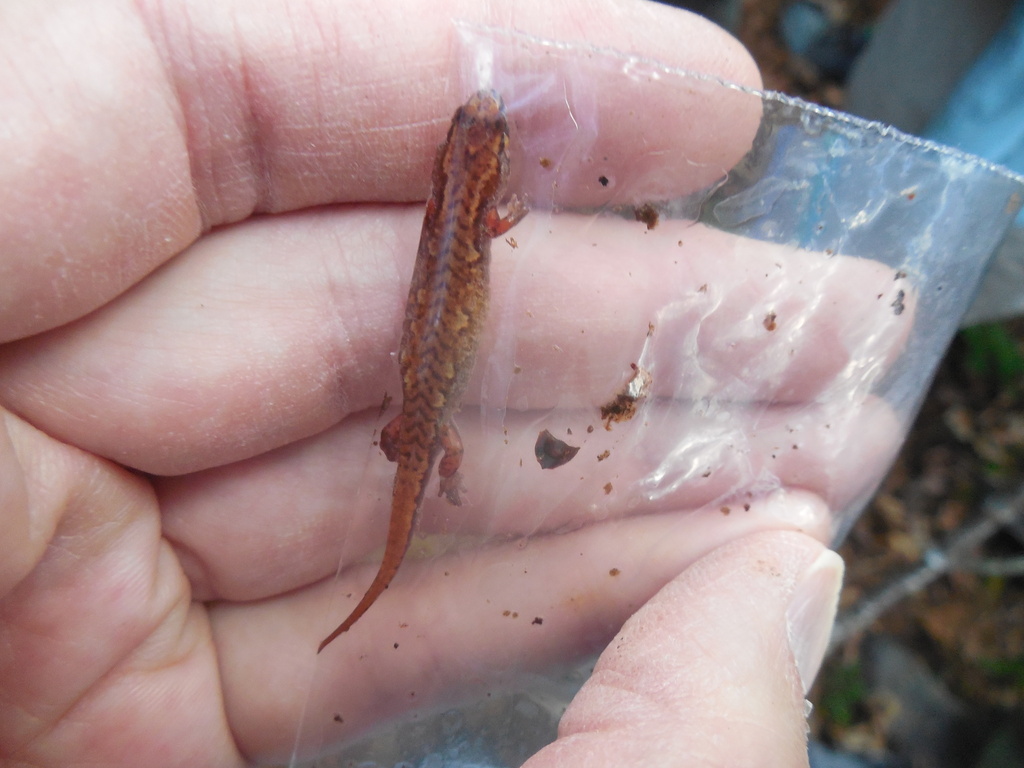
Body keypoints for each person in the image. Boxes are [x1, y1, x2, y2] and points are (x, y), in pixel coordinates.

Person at [0, 1, 902, 765]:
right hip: (425, 410)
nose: (488, 132)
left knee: (425, 436)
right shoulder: (490, 215)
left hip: (420, 402)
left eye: (490, 135)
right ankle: (432, 494)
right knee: (432, 441)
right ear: (474, 169)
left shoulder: (446, 212)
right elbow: (502, 214)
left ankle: (423, 496)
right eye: (484, 139)